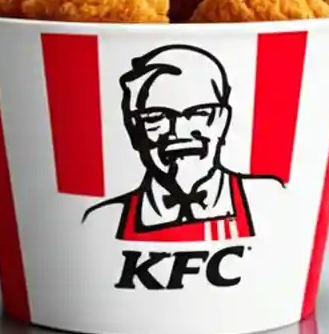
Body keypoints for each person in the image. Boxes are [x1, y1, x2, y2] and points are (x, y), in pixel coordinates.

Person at [84, 45, 283, 241]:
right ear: (134, 129)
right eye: (156, 117)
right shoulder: (105, 218)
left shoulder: (266, 197)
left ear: (222, 121)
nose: (179, 133)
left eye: (199, 113)